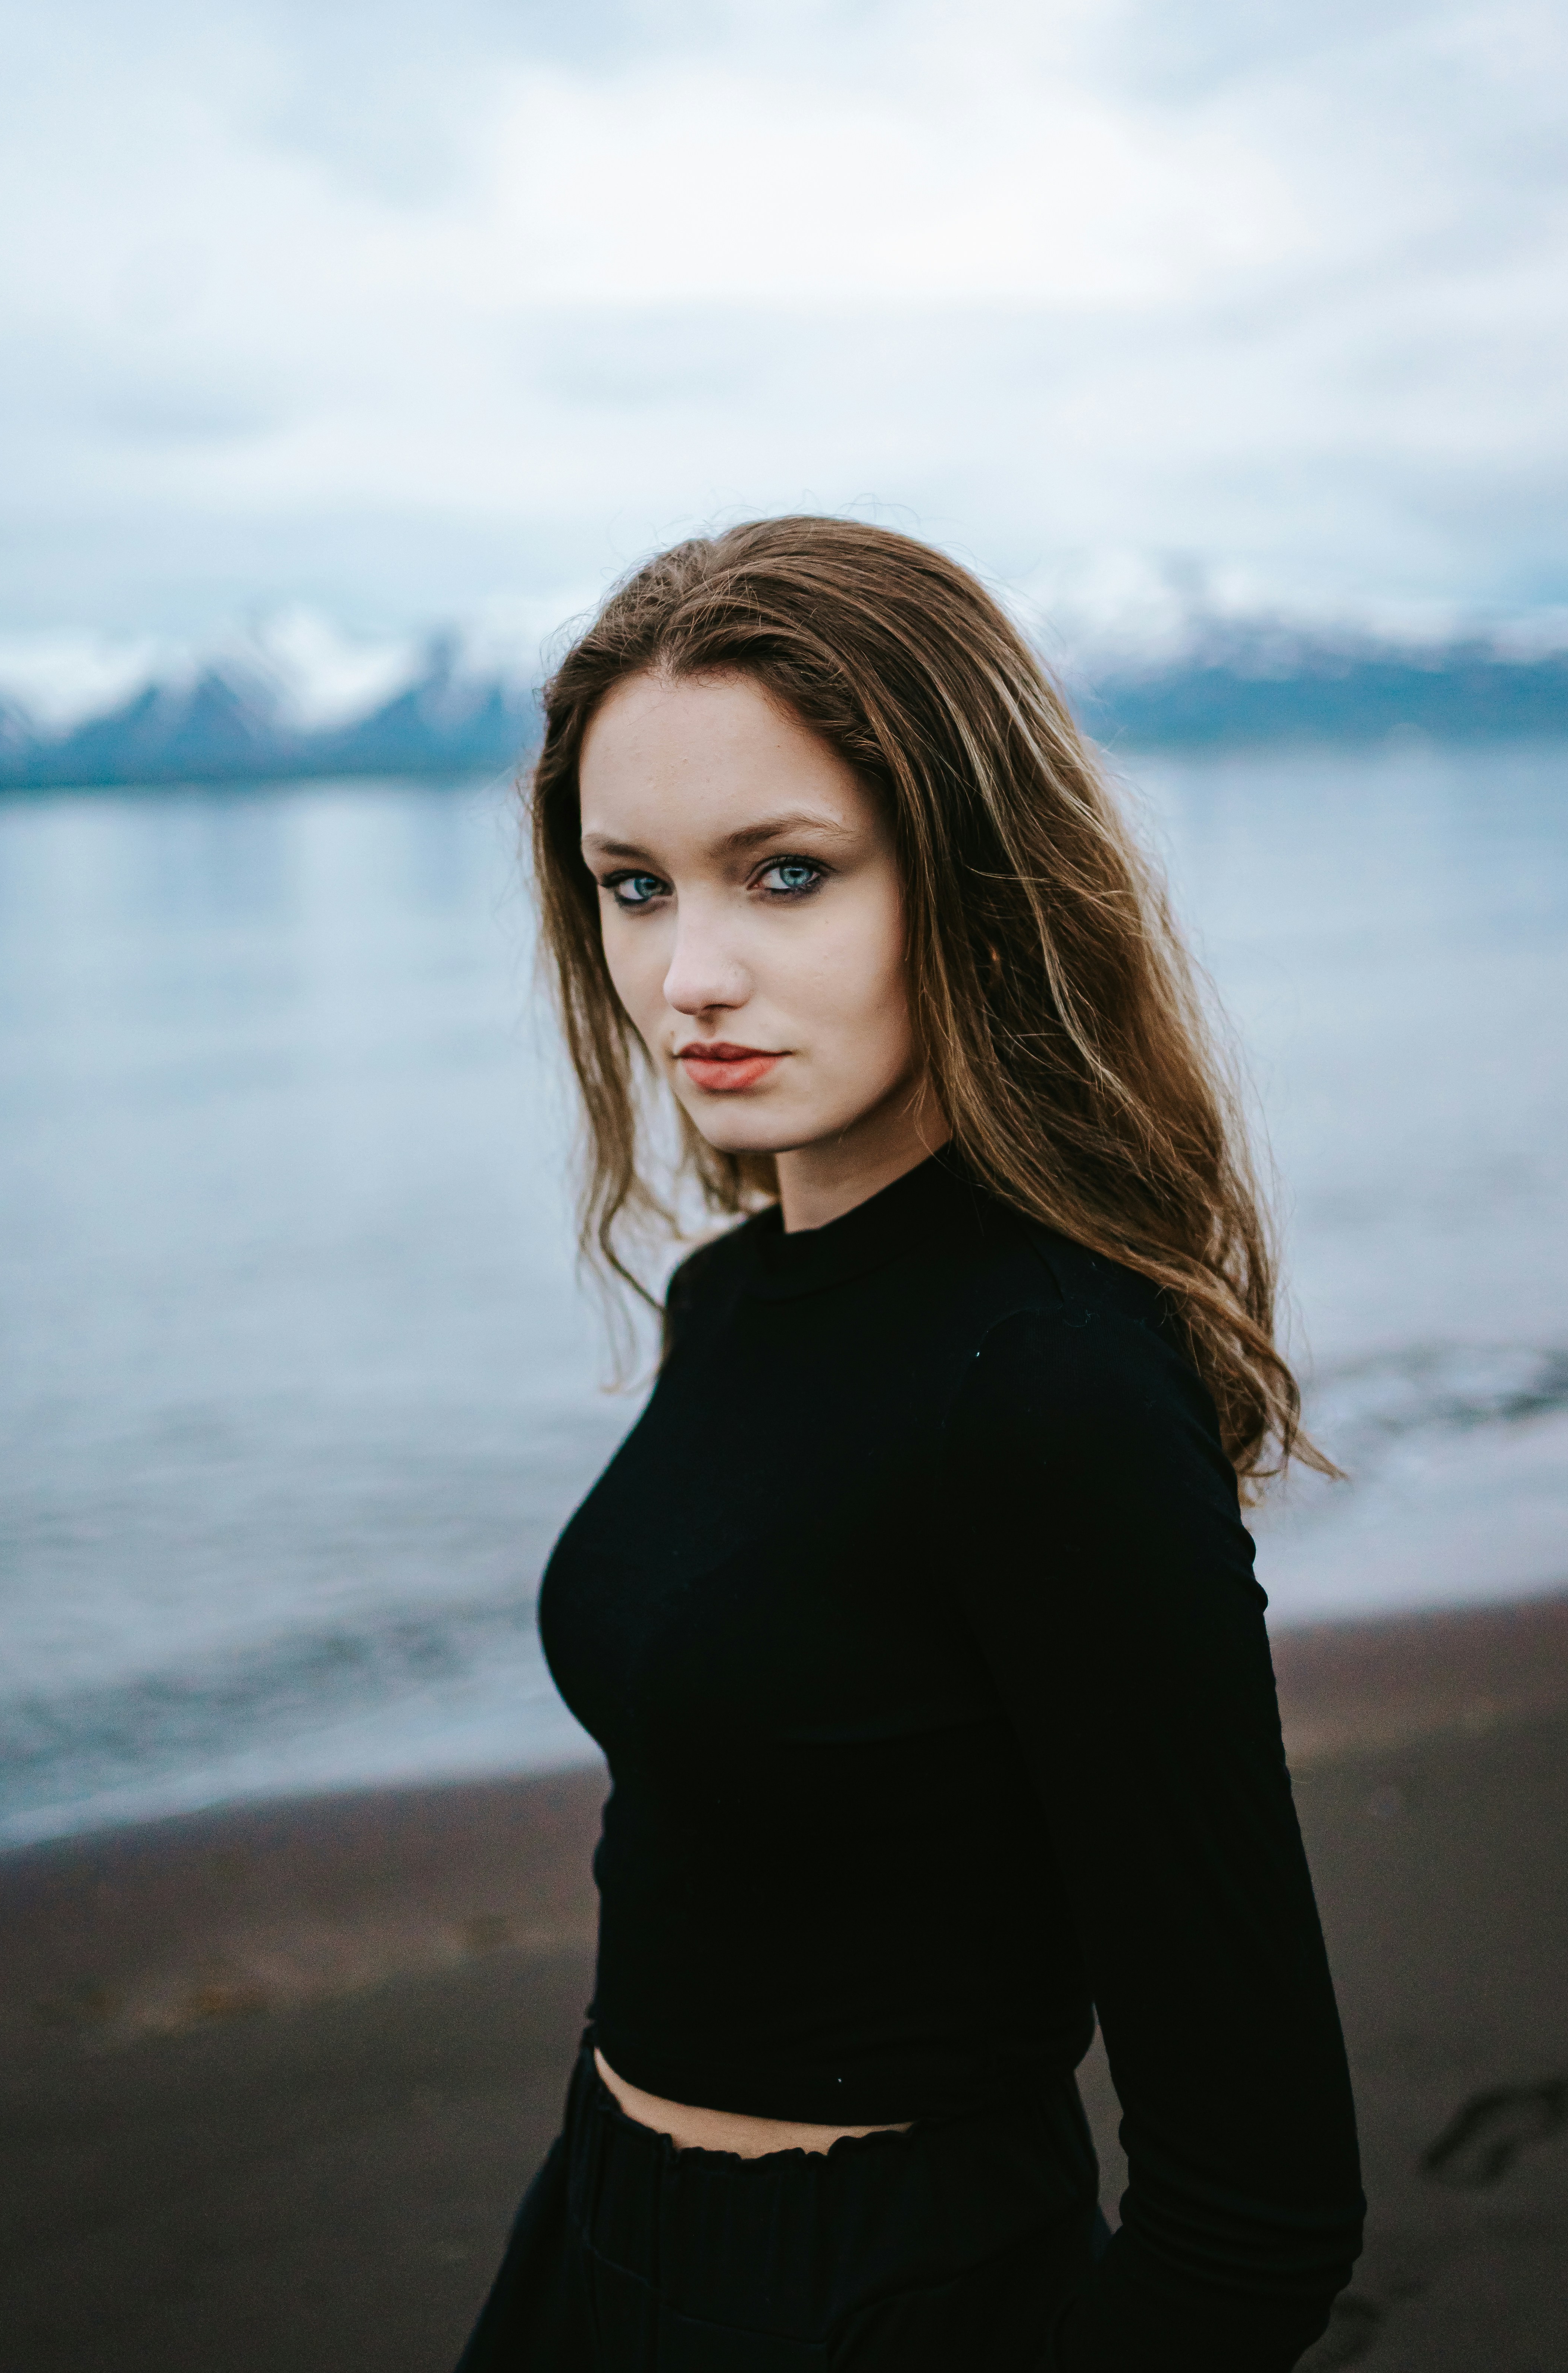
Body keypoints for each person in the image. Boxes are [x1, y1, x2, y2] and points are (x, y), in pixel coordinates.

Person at [455, 517, 1364, 2370]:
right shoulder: (730, 1302)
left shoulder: (1045, 1388)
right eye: (633, 886)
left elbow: (1256, 2206)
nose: (687, 972)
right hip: (601, 2237)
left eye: (782, 874)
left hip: (879, 2301)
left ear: (971, 878)